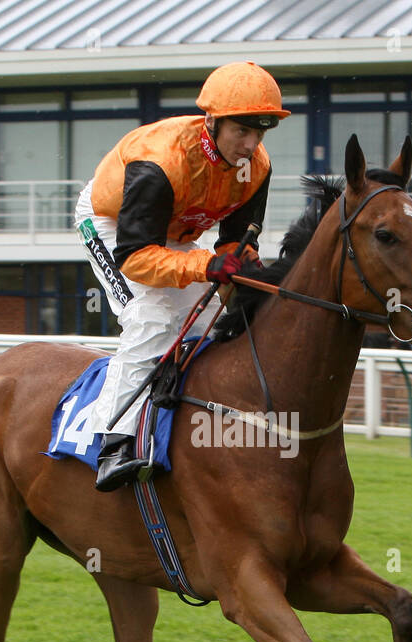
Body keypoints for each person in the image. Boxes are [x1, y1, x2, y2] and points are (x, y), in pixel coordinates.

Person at [75, 61, 284, 491]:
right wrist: (205, 265)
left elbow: (234, 243)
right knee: (149, 318)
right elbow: (135, 258)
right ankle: (114, 440)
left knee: (212, 320)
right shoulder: (160, 163)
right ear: (212, 120)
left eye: (259, 133)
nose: (251, 145)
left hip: (168, 234)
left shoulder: (256, 168)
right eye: (241, 132)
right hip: (113, 226)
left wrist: (239, 270)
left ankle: (181, 407)